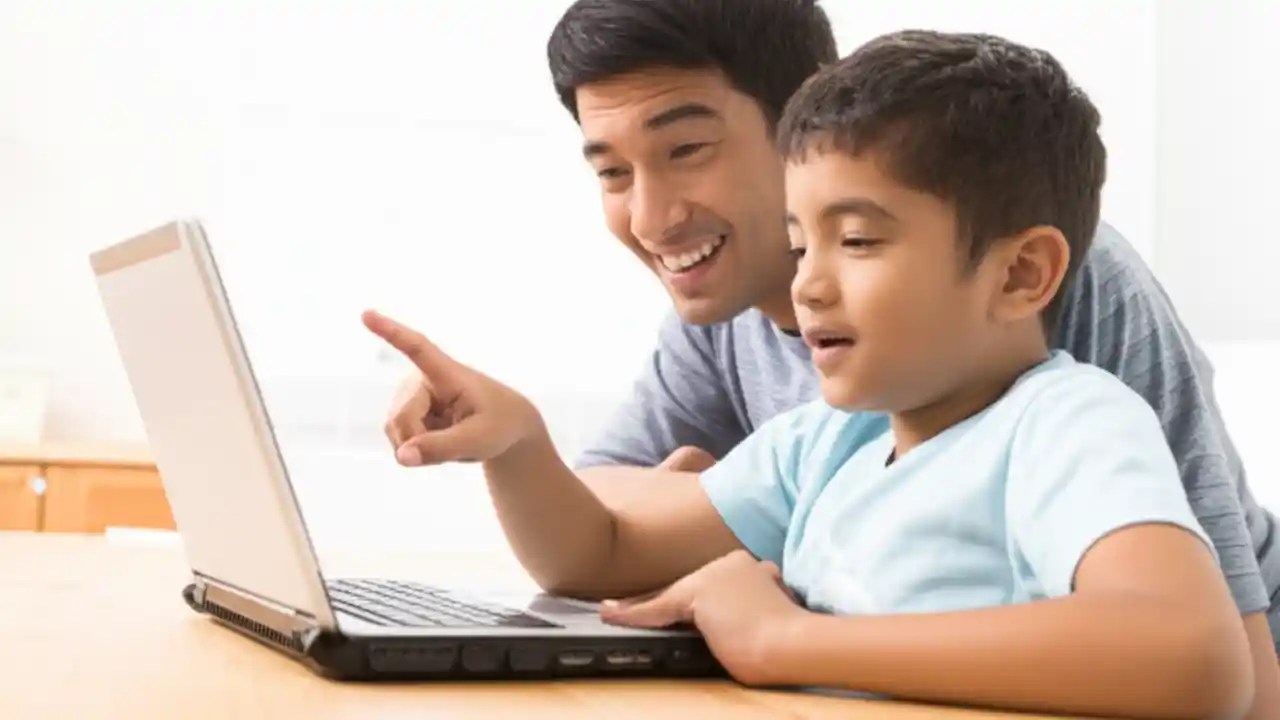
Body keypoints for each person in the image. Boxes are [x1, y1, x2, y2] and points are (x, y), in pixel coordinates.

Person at [379, 0, 1280, 712]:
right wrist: (518, 445)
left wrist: (788, 639)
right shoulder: (827, 439)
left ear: (1024, 275)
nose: (804, 285)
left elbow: (1205, 659)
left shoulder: (1069, 418)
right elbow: (597, 547)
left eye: (856, 241)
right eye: (801, 243)